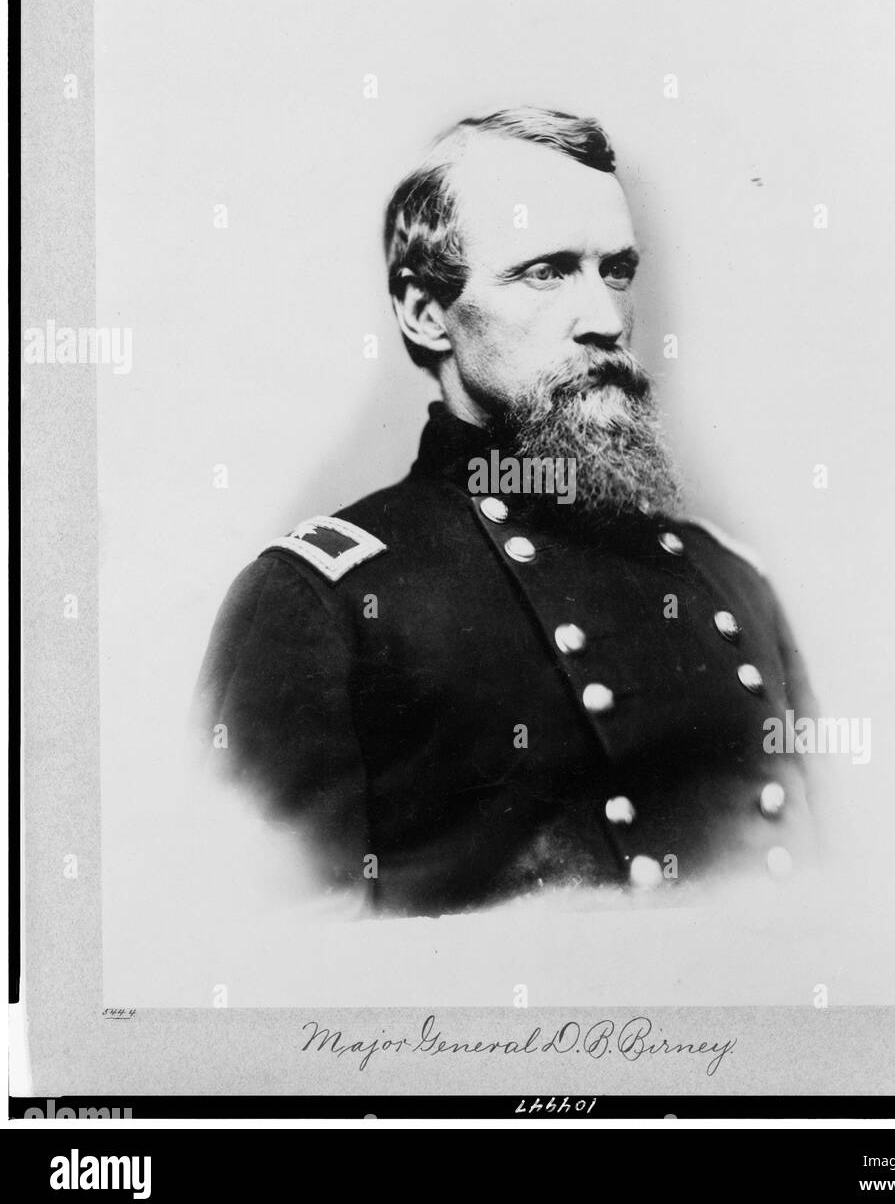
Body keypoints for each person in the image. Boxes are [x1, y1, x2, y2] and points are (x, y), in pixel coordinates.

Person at [195, 106, 819, 917]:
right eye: (547, 271)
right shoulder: (321, 603)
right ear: (425, 312)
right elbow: (281, 967)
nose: (604, 319)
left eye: (617, 269)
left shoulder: (731, 580)